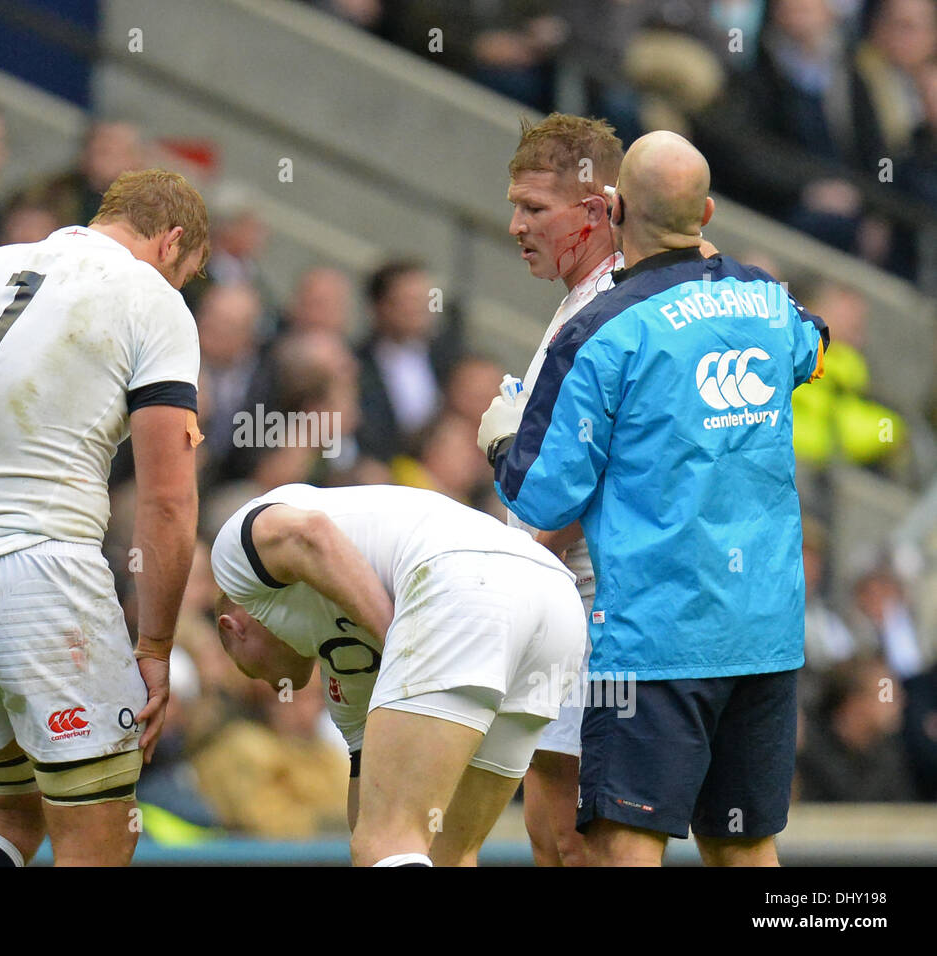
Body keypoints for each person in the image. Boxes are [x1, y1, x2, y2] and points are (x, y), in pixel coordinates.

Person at [480, 131, 830, 866]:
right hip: (764, 633)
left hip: (654, 638)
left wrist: (500, 443)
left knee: (620, 848)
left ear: (610, 209)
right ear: (706, 210)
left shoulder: (602, 331)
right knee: (743, 848)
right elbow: (815, 347)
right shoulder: (768, 303)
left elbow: (542, 500)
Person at [0, 169, 209, 867]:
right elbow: (169, 499)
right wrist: (154, 645)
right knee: (99, 831)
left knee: (5, 812)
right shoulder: (151, 299)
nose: (181, 289)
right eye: (188, 274)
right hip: (45, 579)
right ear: (172, 241)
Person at [210, 482, 586, 866]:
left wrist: (400, 643)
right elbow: (364, 812)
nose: (274, 685)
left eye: (247, 669)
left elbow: (310, 532)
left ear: (231, 627)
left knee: (388, 841)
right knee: (445, 854)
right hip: (553, 600)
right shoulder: (345, 665)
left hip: (464, 583)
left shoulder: (232, 559)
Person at [496, 112, 625, 867]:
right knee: (551, 837)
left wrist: (516, 579)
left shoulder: (612, 310)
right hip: (559, 602)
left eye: (534, 209)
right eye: (514, 204)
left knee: (576, 842)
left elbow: (589, 474)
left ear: (594, 210)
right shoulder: (580, 299)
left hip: (585, 610)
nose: (514, 224)